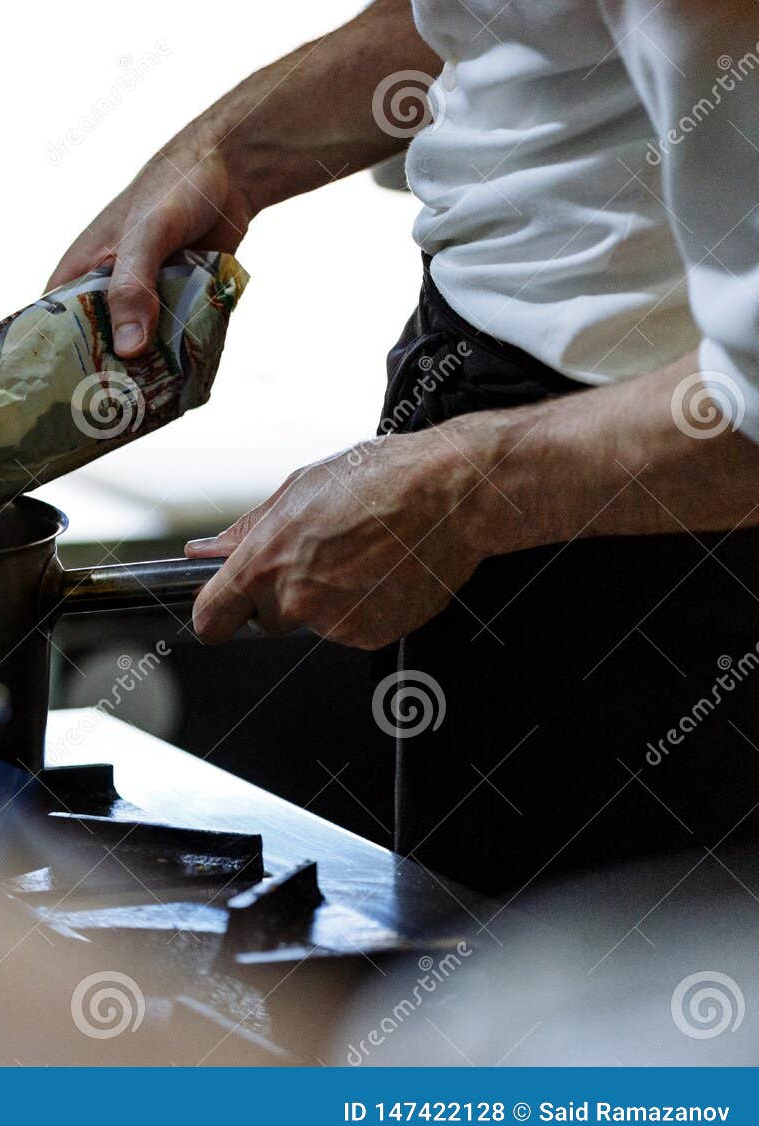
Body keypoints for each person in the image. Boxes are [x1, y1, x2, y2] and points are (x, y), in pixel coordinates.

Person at [50, 0, 759, 896]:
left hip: (655, 525)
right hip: (495, 420)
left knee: (571, 1012)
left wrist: (468, 492)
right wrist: (229, 155)